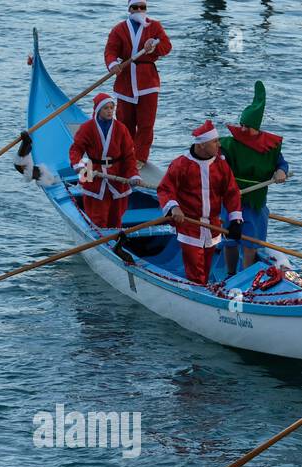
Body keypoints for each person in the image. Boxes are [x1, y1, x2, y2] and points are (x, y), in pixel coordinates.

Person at [157, 121, 243, 285]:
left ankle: (202, 287)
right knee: (195, 269)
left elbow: (232, 193)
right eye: (215, 141)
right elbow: (165, 189)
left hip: (212, 225)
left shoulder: (221, 165)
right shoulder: (181, 164)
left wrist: (235, 220)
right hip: (189, 224)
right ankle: (199, 290)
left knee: (206, 265)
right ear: (202, 145)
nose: (219, 144)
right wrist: (174, 207)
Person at [219, 81, 289, 275]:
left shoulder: (270, 147)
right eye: (241, 124)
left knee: (250, 239)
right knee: (230, 237)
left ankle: (246, 274)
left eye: (247, 127)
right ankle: (230, 273)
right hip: (232, 198)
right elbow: (219, 167)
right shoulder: (228, 145)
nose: (242, 129)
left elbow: (281, 164)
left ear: (256, 128)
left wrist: (281, 172)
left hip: (255, 200)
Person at [104, 1, 172, 166]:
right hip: (125, 81)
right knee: (124, 122)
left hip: (148, 83)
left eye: (143, 7)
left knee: (146, 123)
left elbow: (167, 47)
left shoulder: (154, 26)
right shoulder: (119, 29)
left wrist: (154, 46)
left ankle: (140, 157)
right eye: (135, 7)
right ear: (129, 9)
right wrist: (113, 65)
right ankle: (124, 154)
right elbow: (110, 51)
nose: (139, 10)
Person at [70, 93, 141, 230]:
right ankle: (99, 236)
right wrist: (78, 164)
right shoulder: (87, 128)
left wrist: (133, 174)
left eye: (111, 108)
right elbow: (76, 149)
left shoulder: (121, 128)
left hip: (117, 173)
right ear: (98, 110)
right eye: (106, 108)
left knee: (116, 215)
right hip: (93, 171)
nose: (109, 111)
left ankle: (114, 239)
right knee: (97, 215)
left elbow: (129, 156)